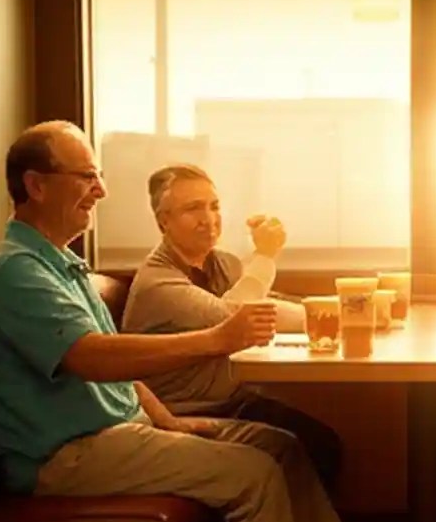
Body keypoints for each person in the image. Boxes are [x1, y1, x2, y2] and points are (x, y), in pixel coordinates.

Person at [0, 121, 393, 522]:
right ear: (36, 185)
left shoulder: (62, 265)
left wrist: (168, 420)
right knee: (252, 475)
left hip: (119, 431)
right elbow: (92, 357)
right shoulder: (15, 271)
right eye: (87, 177)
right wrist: (215, 340)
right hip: (63, 454)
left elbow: (121, 364)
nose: (100, 190)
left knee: (283, 447)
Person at [121, 164, 342, 486]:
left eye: (214, 206)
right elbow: (240, 318)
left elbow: (272, 304)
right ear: (163, 221)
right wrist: (265, 256)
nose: (208, 219)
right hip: (184, 413)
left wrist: (346, 314)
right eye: (193, 209)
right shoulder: (158, 283)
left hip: (231, 397)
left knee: (322, 444)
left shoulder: (221, 263)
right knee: (315, 448)